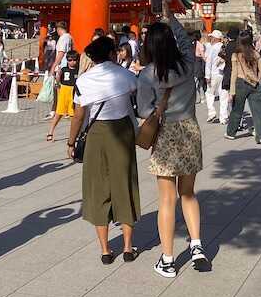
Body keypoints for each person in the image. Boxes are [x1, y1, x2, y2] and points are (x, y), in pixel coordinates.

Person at [136, 15, 210, 278]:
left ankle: (168, 260)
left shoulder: (147, 75)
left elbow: (144, 109)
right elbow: (187, 43)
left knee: (167, 199)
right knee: (188, 193)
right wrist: (171, 19)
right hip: (190, 129)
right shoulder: (188, 65)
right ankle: (197, 246)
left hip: (166, 132)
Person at [67, 36, 140, 264]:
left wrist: (71, 142)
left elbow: (79, 115)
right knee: (124, 184)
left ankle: (106, 250)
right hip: (123, 131)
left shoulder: (84, 80)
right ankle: (128, 248)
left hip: (97, 134)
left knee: (98, 188)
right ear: (111, 53)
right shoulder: (127, 76)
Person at [225, 31, 261, 145]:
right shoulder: (255, 53)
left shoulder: (236, 55)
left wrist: (232, 91)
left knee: (237, 109)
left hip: (240, 83)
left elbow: (234, 74)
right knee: (258, 112)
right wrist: (257, 79)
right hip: (254, 84)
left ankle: (231, 133)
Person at [46, 49, 80, 141]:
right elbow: (58, 82)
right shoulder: (64, 69)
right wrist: (57, 76)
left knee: (73, 115)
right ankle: (50, 132)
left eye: (74, 60)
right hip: (64, 91)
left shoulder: (78, 71)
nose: (72, 62)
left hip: (73, 92)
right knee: (59, 113)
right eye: (69, 60)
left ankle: (73, 134)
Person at [204, 29, 228, 124]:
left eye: (212, 37)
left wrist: (207, 76)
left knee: (209, 93)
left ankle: (212, 112)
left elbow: (208, 62)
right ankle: (224, 117)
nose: (211, 39)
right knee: (223, 95)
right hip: (222, 74)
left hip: (214, 74)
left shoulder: (212, 48)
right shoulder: (224, 47)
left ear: (215, 38)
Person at [192, 31, 207, 105]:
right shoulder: (199, 44)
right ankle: (202, 98)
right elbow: (203, 56)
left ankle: (200, 97)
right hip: (199, 64)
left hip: (193, 64)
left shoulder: (192, 44)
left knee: (197, 82)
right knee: (199, 82)